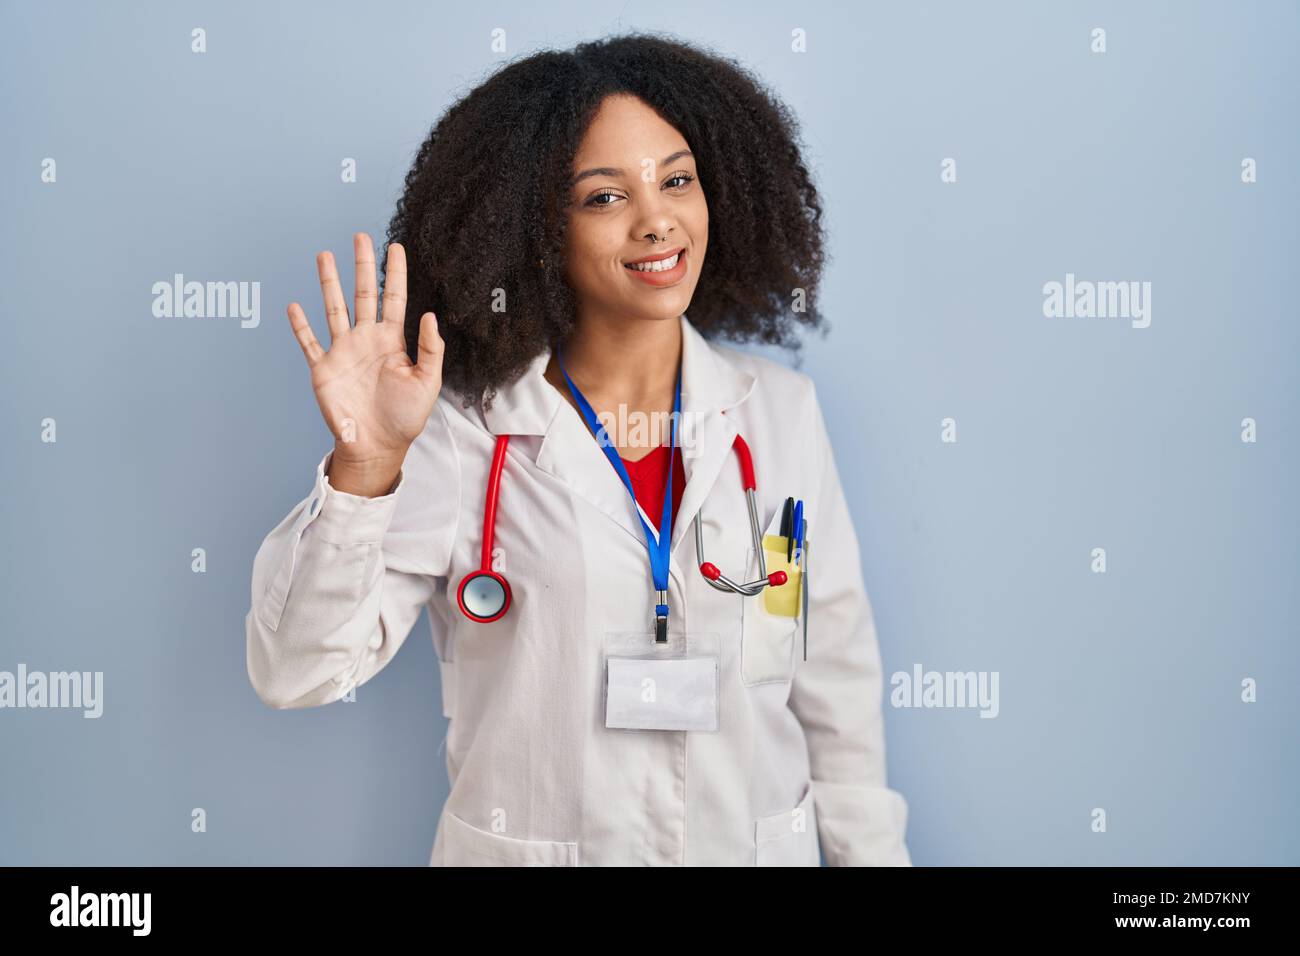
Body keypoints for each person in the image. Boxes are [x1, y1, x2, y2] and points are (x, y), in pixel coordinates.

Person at [245, 33, 911, 866]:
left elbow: (834, 690)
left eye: (677, 180)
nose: (656, 218)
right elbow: (297, 672)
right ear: (534, 230)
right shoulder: (464, 431)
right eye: (604, 198)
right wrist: (366, 466)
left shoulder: (778, 414)